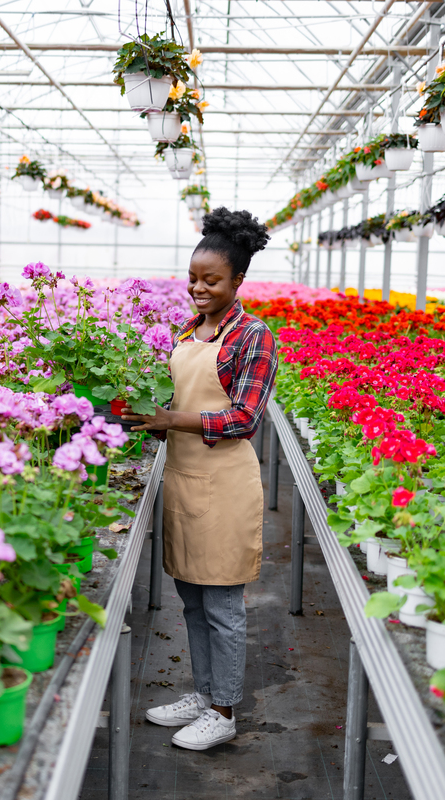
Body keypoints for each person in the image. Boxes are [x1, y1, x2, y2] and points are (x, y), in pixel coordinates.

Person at [122, 207, 277, 751]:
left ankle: (225, 709)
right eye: (193, 279)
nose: (198, 289)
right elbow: (180, 401)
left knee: (223, 610)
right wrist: (146, 417)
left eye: (211, 280)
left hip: (226, 485)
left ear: (238, 280)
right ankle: (204, 692)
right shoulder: (189, 330)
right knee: (190, 600)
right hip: (185, 478)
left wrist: (172, 420)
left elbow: (243, 419)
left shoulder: (252, 336)